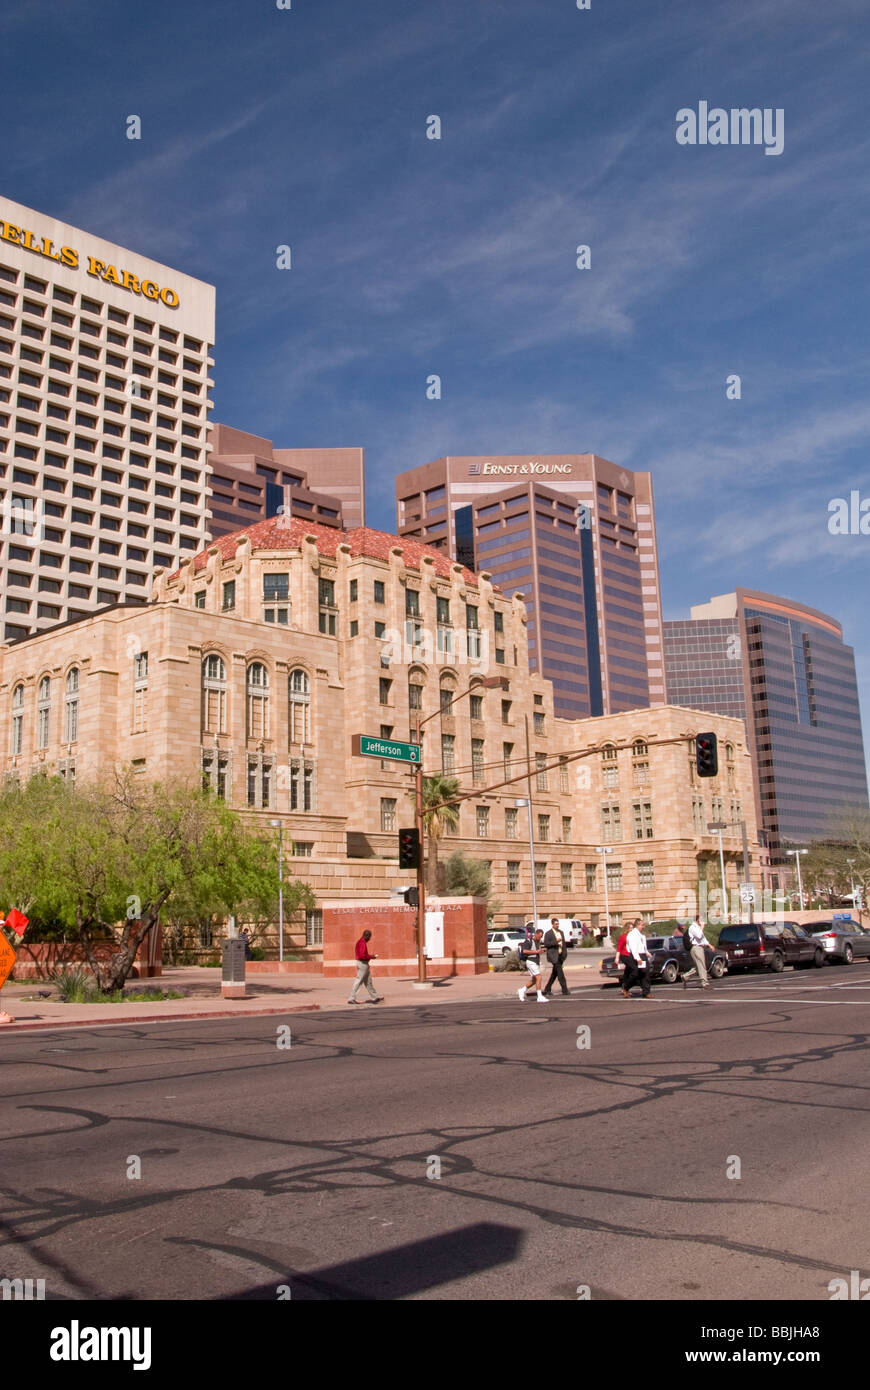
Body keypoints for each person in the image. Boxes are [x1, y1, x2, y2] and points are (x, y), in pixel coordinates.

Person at [348, 928, 383, 1004]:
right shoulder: (362, 943)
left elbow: (363, 955)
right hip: (362, 964)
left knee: (368, 982)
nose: (369, 939)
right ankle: (351, 998)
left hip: (364, 964)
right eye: (369, 937)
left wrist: (370, 957)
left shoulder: (361, 942)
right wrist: (371, 957)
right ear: (367, 936)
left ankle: (375, 996)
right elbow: (362, 955)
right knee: (359, 981)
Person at [681, 914, 713, 990]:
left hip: (699, 947)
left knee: (699, 966)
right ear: (698, 920)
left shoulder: (698, 928)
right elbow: (699, 935)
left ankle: (685, 976)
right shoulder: (693, 927)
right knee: (702, 965)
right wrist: (702, 927)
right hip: (695, 947)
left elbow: (702, 938)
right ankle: (705, 983)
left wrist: (710, 945)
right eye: (702, 919)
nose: (703, 921)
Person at [623, 918, 652, 998]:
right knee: (636, 974)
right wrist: (638, 958)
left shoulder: (642, 935)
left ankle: (646, 992)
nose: (644, 927)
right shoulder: (632, 935)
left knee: (645, 973)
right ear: (637, 925)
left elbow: (643, 947)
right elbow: (633, 948)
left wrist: (647, 953)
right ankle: (626, 987)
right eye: (642, 925)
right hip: (635, 956)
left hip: (642, 955)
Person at [518, 928, 548, 1003]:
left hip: (535, 961)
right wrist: (536, 951)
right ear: (536, 934)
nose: (540, 938)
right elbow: (524, 951)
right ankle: (539, 996)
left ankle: (522, 990)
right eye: (539, 936)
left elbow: (538, 950)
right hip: (530, 961)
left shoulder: (538, 941)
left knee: (534, 980)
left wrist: (541, 951)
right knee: (539, 977)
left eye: (541, 936)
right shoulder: (529, 941)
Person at [542, 917, 570, 996]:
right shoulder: (548, 933)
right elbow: (546, 944)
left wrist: (564, 954)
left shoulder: (561, 932)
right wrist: (556, 942)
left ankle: (547, 988)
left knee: (555, 973)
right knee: (560, 973)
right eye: (556, 924)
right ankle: (565, 989)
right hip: (554, 956)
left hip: (560, 955)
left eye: (558, 924)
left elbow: (563, 944)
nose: (557, 925)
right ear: (552, 924)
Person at [615, 925, 631, 993]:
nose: (632, 929)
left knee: (627, 971)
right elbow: (619, 948)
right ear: (627, 929)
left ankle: (624, 987)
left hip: (631, 955)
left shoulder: (633, 936)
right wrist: (617, 957)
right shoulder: (623, 936)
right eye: (631, 928)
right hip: (624, 955)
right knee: (632, 969)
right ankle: (626, 987)